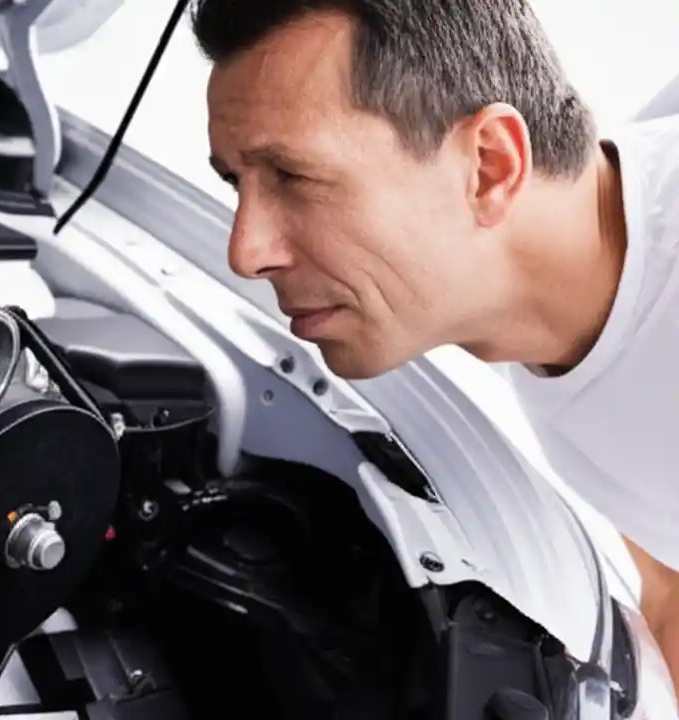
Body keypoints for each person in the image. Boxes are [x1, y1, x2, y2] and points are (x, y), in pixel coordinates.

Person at [194, 0, 679, 693]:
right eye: (236, 183)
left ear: (489, 166)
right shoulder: (553, 310)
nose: (246, 252)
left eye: (294, 177)